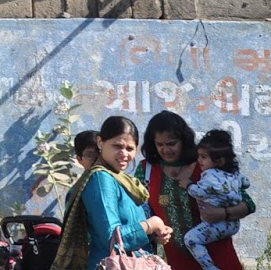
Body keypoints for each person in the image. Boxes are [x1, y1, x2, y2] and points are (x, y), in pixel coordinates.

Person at [134, 110, 253, 270]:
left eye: (171, 144)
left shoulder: (204, 166)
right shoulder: (146, 170)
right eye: (159, 144)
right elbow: (138, 214)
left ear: (184, 141)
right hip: (177, 262)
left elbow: (248, 203)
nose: (165, 150)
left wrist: (223, 213)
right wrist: (155, 235)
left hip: (220, 259)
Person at [53, 115, 171, 270]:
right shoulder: (101, 178)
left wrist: (156, 234)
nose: (124, 154)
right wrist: (151, 224)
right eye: (117, 146)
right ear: (101, 142)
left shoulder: (122, 179)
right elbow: (113, 239)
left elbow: (130, 226)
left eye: (130, 148)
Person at [182, 130, 249, 270]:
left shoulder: (209, 176)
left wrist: (188, 185)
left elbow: (199, 192)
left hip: (216, 224)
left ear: (219, 160)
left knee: (191, 239)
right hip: (233, 224)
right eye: (199, 156)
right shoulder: (234, 174)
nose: (199, 160)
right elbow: (246, 183)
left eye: (204, 157)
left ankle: (210, 267)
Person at [65, 130, 100, 212]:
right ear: (79, 159)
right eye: (89, 155)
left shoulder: (116, 182)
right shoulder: (74, 193)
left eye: (100, 153)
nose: (97, 159)